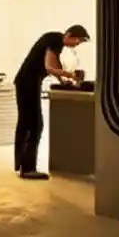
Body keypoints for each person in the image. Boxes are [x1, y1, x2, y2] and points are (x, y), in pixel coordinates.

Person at [13, 24, 90, 179]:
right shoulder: (55, 40)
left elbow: (54, 64)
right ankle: (28, 169)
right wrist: (70, 75)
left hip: (24, 81)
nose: (77, 45)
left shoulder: (54, 39)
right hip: (29, 82)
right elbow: (49, 67)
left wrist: (62, 79)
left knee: (25, 122)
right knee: (35, 124)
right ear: (69, 35)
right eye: (78, 41)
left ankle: (20, 164)